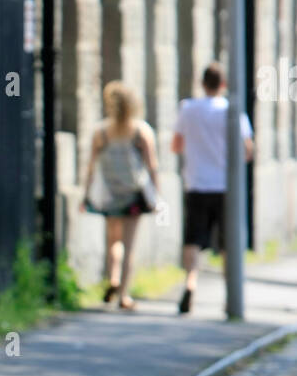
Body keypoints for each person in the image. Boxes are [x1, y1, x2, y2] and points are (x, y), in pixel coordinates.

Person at [171, 62, 253, 315]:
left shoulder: (188, 109)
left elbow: (176, 145)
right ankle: (231, 297)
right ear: (223, 84)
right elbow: (248, 150)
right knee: (228, 242)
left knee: (193, 239)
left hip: (196, 182)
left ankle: (190, 282)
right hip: (226, 186)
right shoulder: (232, 111)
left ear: (202, 83)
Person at [80, 82, 159, 310]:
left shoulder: (101, 132)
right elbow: (152, 166)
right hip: (133, 195)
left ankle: (112, 279)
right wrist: (158, 196)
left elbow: (91, 167)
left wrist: (85, 196)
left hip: (110, 194)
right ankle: (124, 294)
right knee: (129, 244)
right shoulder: (140, 131)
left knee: (112, 240)